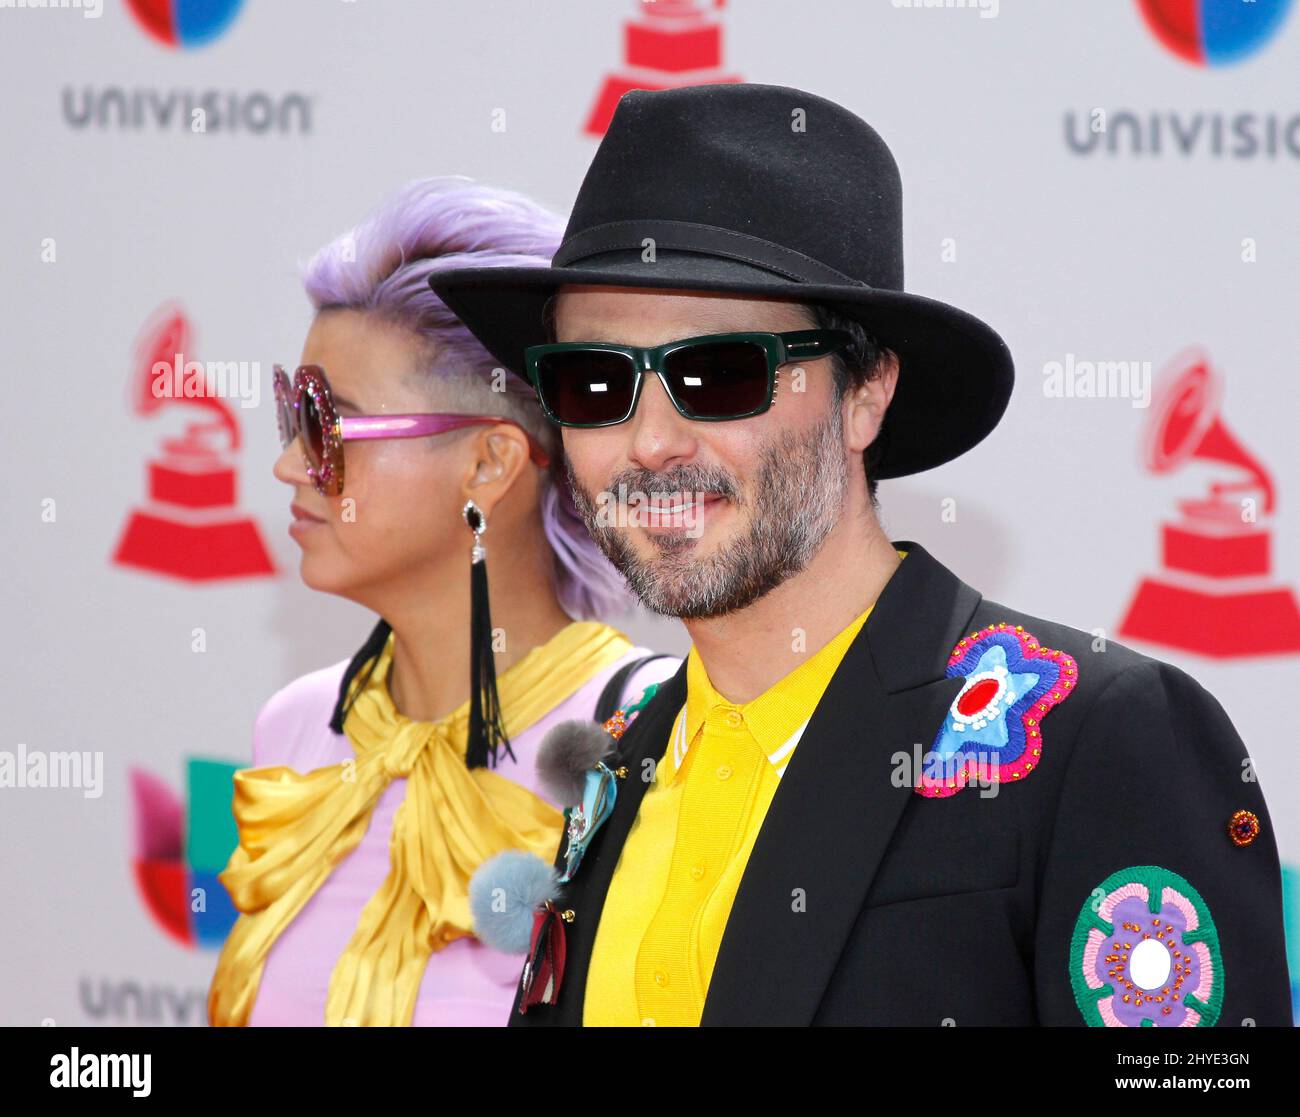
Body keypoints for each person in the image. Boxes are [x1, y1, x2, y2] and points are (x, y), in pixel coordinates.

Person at [431, 84, 1293, 1026]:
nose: (651, 442)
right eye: (594, 382)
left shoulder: (1097, 738)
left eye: (718, 374)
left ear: (866, 393)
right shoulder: (620, 752)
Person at [206, 178, 680, 1027]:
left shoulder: (646, 732)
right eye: (290, 416)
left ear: (490, 463)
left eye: (327, 424)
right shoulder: (298, 726)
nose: (289, 465)